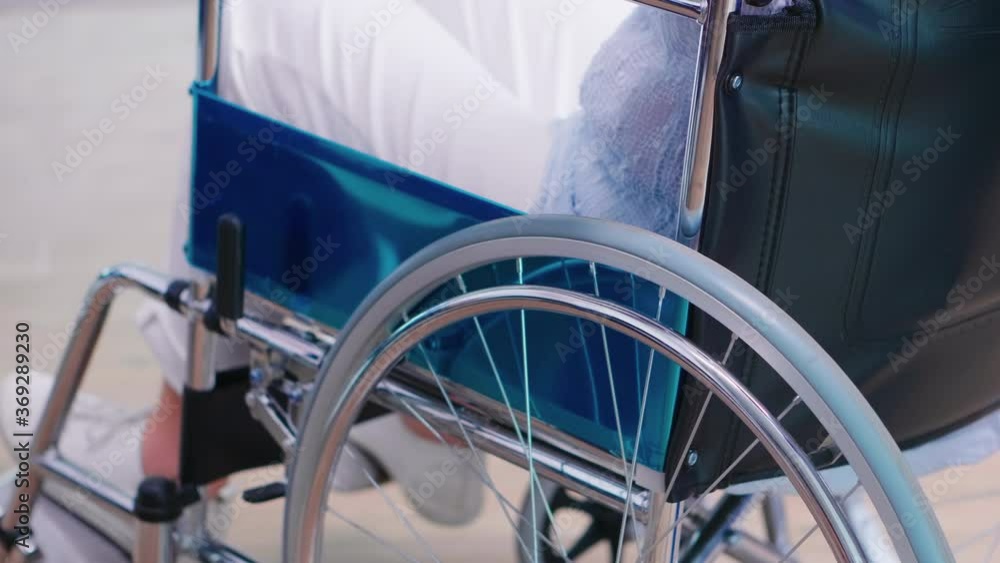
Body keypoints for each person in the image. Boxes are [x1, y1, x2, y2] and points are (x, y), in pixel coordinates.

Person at [3, 0, 808, 542]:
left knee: (263, 19)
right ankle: (419, 419)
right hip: (791, 261)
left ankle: (173, 454)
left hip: (640, 247)